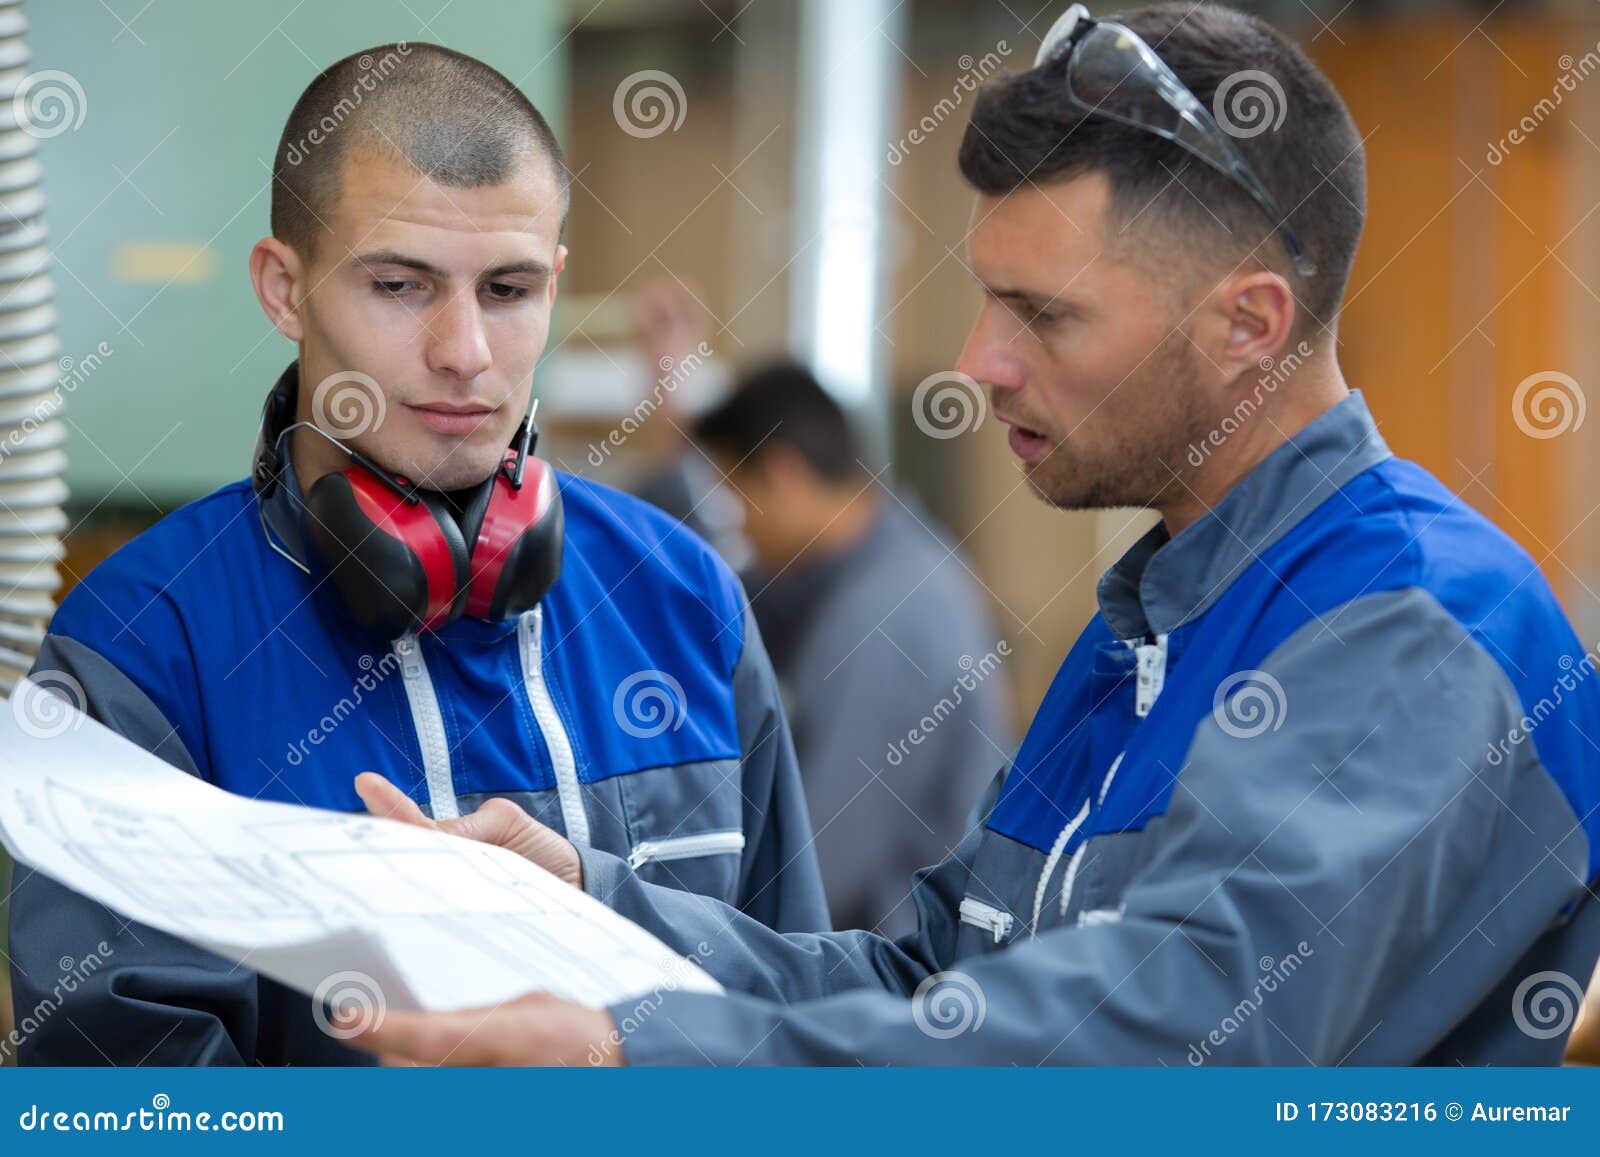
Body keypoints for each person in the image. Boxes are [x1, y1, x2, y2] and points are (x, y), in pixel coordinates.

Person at [338, 4, 1600, 1067]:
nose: (977, 362)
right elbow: (930, 971)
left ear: (1248, 325)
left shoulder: (1415, 627)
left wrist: (641, 1048)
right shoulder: (1154, 620)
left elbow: (1161, 1041)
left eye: (1041, 314)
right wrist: (591, 902)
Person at [6, 42, 828, 1066]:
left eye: (510, 289)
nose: (466, 352)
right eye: (400, 284)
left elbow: (800, 1025)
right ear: (282, 289)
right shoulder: (140, 648)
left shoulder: (681, 597)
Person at [693, 361, 1012, 936]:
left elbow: (823, 867)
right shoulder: (870, 555)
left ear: (782, 476)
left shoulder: (887, 616)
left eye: (733, 500)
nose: (734, 530)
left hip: (899, 960)